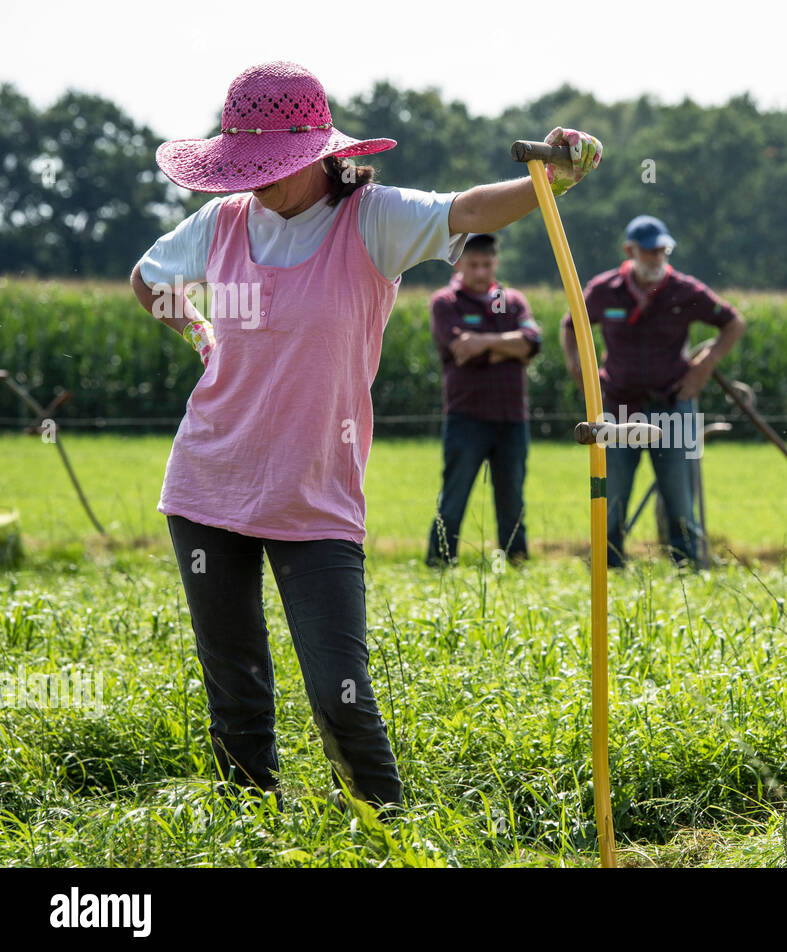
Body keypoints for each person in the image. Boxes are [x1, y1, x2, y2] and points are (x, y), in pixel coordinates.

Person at [129, 60, 601, 815]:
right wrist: (197, 330)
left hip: (314, 496)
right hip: (206, 482)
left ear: (319, 154)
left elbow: (466, 206)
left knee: (340, 693)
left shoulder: (371, 220)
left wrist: (552, 182)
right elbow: (148, 275)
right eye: (243, 165)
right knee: (235, 685)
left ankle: (387, 835)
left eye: (269, 165)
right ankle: (252, 828)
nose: (254, 181)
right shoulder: (219, 223)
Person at [561, 215, 746, 568]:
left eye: (662, 251)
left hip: (672, 406)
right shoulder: (604, 290)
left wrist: (703, 367)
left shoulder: (684, 290)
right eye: (649, 252)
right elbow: (571, 326)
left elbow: (733, 322)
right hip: (616, 410)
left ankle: (688, 567)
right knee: (611, 494)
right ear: (629, 251)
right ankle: (607, 564)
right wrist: (581, 373)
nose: (657, 258)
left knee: (679, 496)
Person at [427, 233, 540, 566]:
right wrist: (509, 349)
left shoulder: (513, 300)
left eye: (487, 264)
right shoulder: (445, 302)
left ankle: (515, 562)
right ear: (459, 263)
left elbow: (533, 342)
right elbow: (461, 351)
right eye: (473, 265)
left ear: (496, 262)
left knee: (512, 498)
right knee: (454, 496)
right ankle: (440, 562)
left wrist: (483, 343)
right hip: (467, 416)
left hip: (512, 418)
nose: (480, 272)